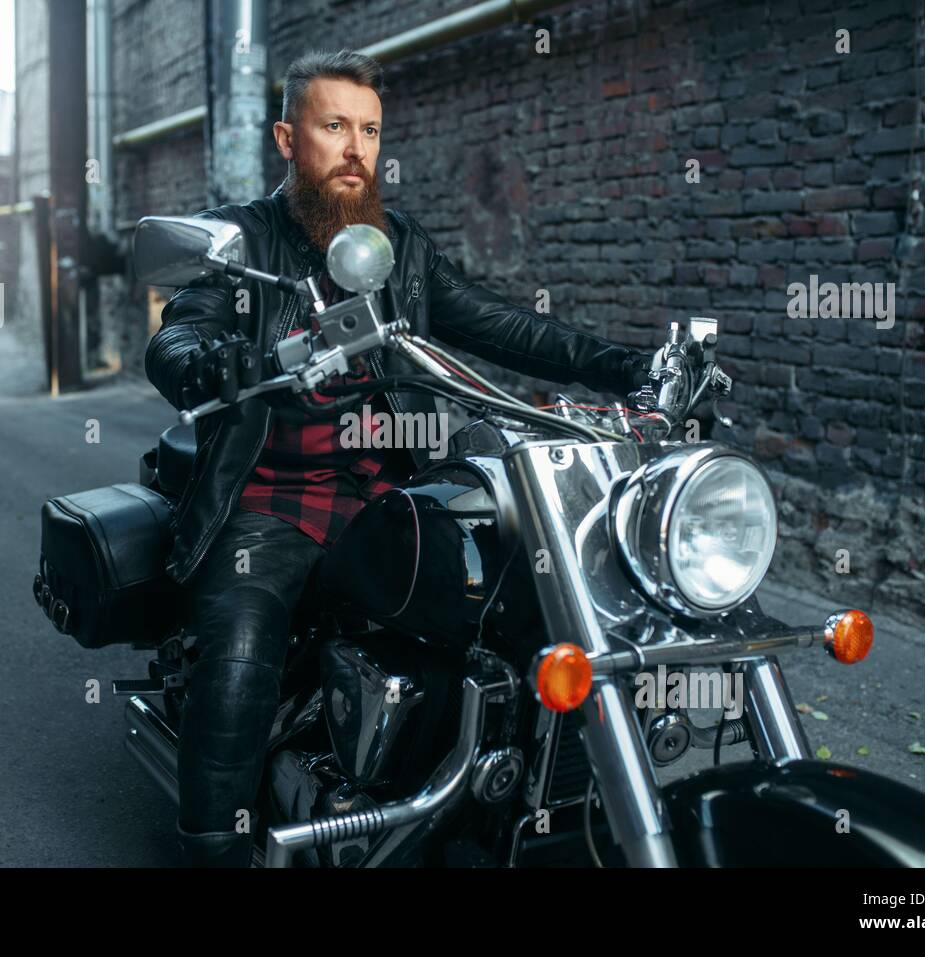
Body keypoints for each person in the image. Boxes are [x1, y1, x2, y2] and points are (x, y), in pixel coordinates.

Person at [144, 48, 654, 867]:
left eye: (370, 130)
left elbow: (504, 326)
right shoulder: (243, 240)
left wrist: (628, 367)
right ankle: (216, 849)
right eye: (334, 125)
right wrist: (209, 360)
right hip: (274, 501)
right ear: (288, 137)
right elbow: (180, 330)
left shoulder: (400, 247)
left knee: (524, 592)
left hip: (395, 490)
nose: (356, 147)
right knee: (239, 655)